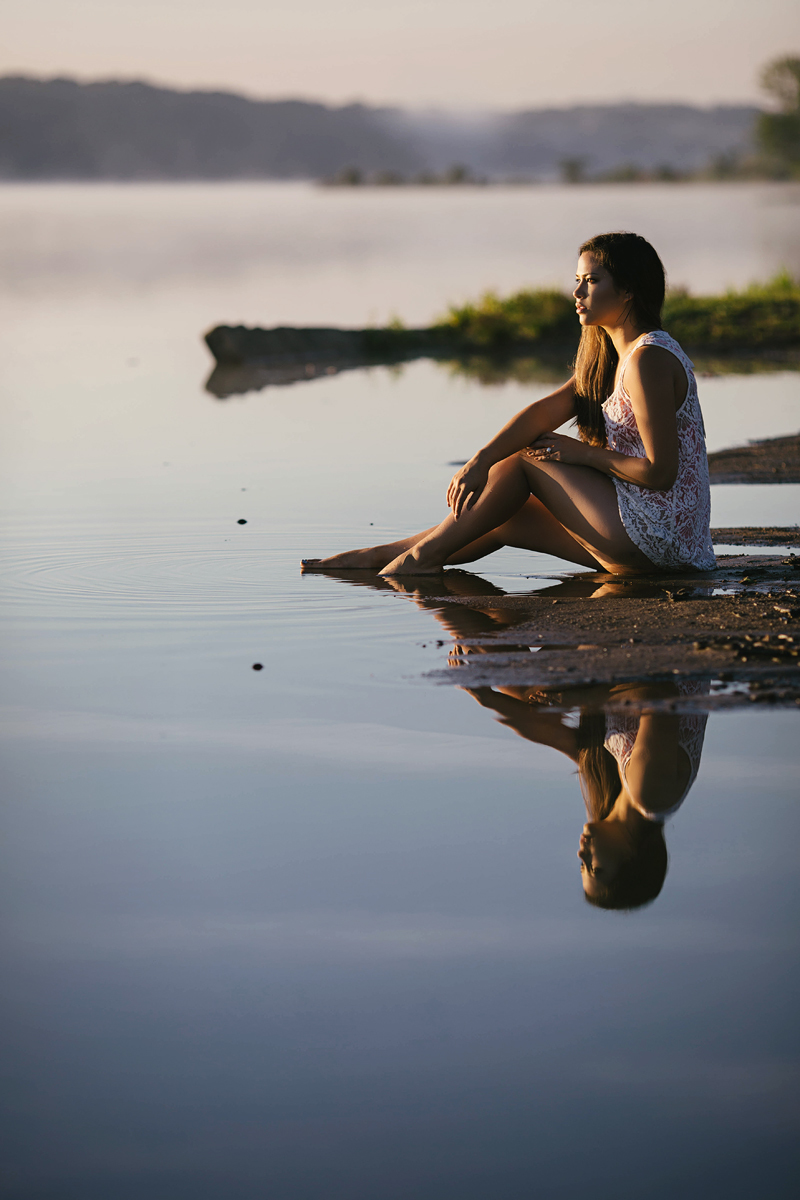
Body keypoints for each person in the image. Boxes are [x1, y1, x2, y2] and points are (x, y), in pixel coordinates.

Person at [302, 231, 716, 577]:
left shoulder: (648, 360)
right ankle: (379, 558)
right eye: (577, 280)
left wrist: (583, 454)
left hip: (663, 543)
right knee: (502, 517)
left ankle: (418, 561)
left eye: (591, 281)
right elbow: (541, 413)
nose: (576, 292)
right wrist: (481, 460)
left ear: (627, 290)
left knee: (523, 458)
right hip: (644, 537)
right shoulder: (611, 359)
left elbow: (660, 473)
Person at [464, 680, 709, 911]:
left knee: (522, 690)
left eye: (583, 867)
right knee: (528, 687)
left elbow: (550, 734)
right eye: (595, 868)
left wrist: (486, 697)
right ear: (633, 858)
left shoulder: (619, 789)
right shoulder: (652, 796)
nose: (582, 855)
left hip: (626, 662)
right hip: (663, 653)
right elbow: (662, 698)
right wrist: (583, 698)